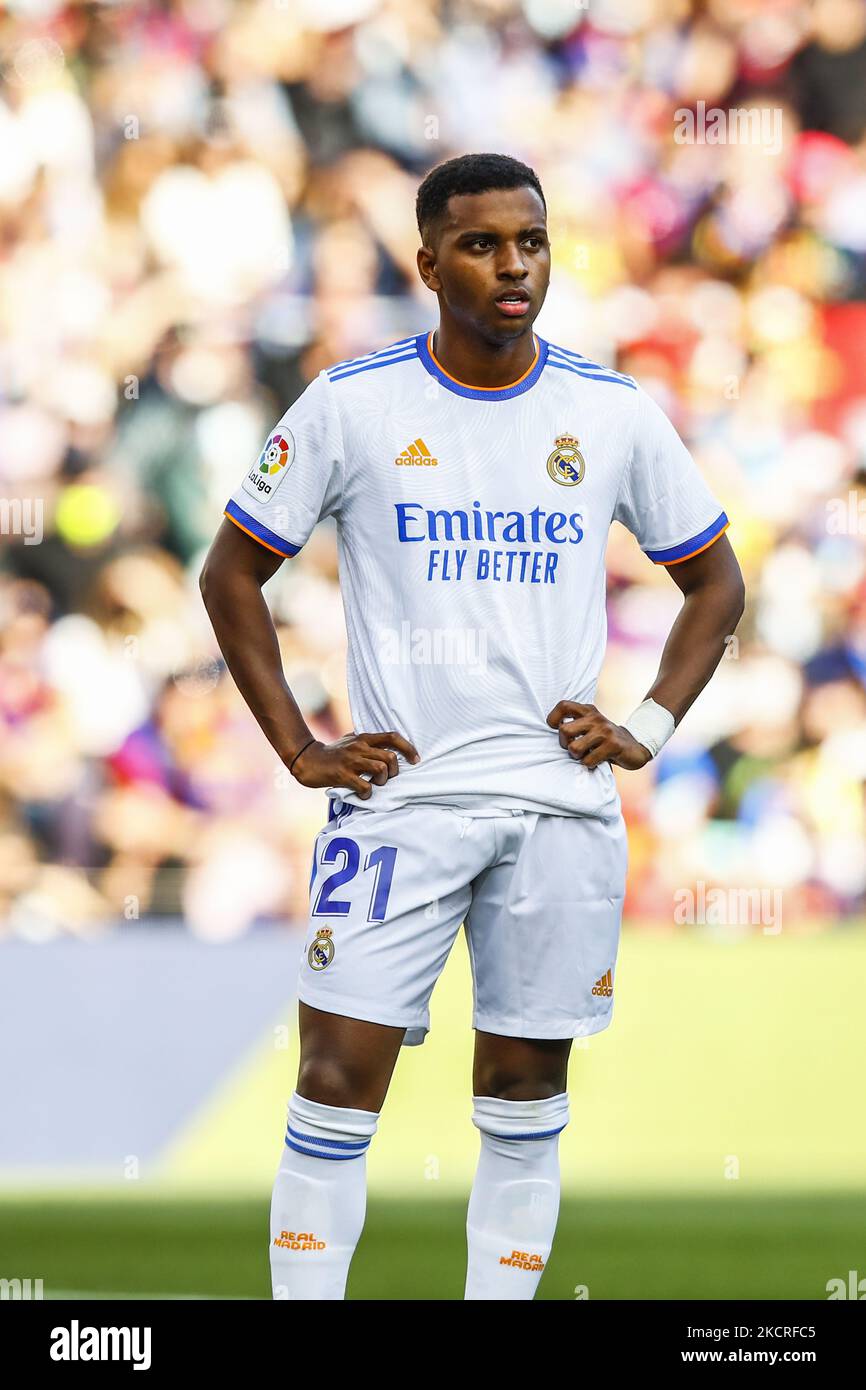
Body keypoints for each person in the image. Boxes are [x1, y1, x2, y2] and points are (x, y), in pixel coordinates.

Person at [199, 152, 746, 1301]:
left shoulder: (606, 411)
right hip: (400, 803)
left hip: (558, 811)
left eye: (530, 242)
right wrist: (299, 745)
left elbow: (715, 582)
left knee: (521, 1096)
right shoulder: (354, 403)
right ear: (426, 261)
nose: (512, 265)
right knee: (335, 1079)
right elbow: (231, 572)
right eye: (482, 244)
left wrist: (644, 722)